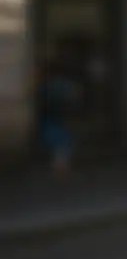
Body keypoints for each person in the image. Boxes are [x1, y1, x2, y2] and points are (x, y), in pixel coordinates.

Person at [38, 52, 81, 181]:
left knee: (59, 143)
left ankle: (60, 169)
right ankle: (61, 170)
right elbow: (73, 97)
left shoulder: (47, 84)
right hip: (59, 117)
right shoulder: (63, 85)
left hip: (51, 117)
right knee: (63, 144)